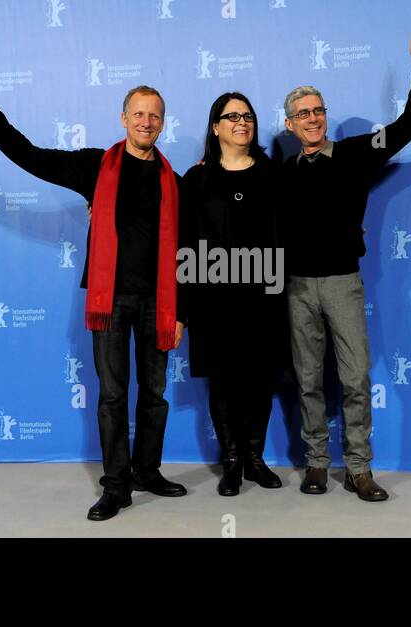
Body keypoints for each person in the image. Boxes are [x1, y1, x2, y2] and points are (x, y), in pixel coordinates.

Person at [0, 56, 187, 521]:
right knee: (111, 395)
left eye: (155, 115)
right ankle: (117, 486)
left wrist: (181, 312)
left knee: (155, 394)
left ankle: (148, 471)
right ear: (123, 120)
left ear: (163, 123)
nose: (147, 121)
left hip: (159, 304)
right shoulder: (95, 167)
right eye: (138, 114)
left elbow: (192, 246)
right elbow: (32, 156)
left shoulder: (176, 182)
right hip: (111, 301)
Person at [281, 6, 411, 502]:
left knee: (354, 378)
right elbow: (229, 185)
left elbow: (410, 124)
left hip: (343, 282)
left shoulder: (354, 153)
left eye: (319, 110)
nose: (314, 118)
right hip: (296, 287)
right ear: (290, 123)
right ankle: (317, 464)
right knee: (306, 381)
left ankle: (360, 468)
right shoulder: (281, 173)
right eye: (304, 113)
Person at [178, 93, 289, 496]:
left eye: (248, 116)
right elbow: (184, 241)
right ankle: (231, 463)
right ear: (215, 126)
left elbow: (291, 230)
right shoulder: (197, 179)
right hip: (213, 299)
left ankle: (256, 460)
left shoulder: (273, 174)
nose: (242, 122)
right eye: (232, 116)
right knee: (223, 383)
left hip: (264, 296)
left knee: (259, 380)